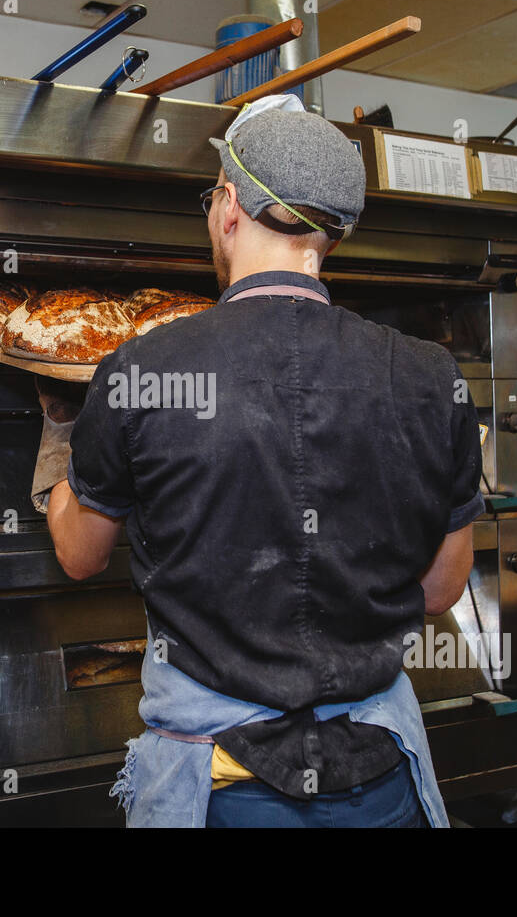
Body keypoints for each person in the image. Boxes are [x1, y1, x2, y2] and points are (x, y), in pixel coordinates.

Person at [34, 95, 483, 827]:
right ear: (330, 233)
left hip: (225, 790)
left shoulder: (144, 368)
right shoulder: (431, 376)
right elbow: (440, 588)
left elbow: (81, 555)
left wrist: (61, 437)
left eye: (212, 197)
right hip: (381, 780)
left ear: (230, 207)